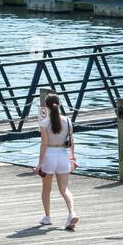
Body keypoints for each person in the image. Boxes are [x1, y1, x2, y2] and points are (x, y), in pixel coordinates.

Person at [34, 94, 79, 230]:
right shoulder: (68, 121)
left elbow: (44, 144)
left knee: (46, 189)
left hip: (50, 155)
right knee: (64, 189)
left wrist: (39, 164)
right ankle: (72, 213)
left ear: (46, 108)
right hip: (63, 155)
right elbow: (71, 141)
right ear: (59, 104)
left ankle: (47, 217)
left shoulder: (44, 123)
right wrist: (72, 156)